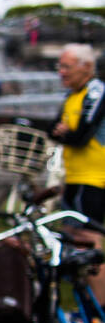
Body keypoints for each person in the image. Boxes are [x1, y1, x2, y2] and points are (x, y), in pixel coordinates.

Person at [52, 43, 105, 300]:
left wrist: (66, 133)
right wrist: (64, 133)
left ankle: (101, 310)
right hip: (75, 178)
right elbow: (53, 129)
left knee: (90, 244)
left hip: (94, 179)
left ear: (86, 67)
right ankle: (87, 307)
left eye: (67, 66)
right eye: (59, 66)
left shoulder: (96, 91)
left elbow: (80, 136)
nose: (61, 72)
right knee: (73, 240)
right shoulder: (72, 94)